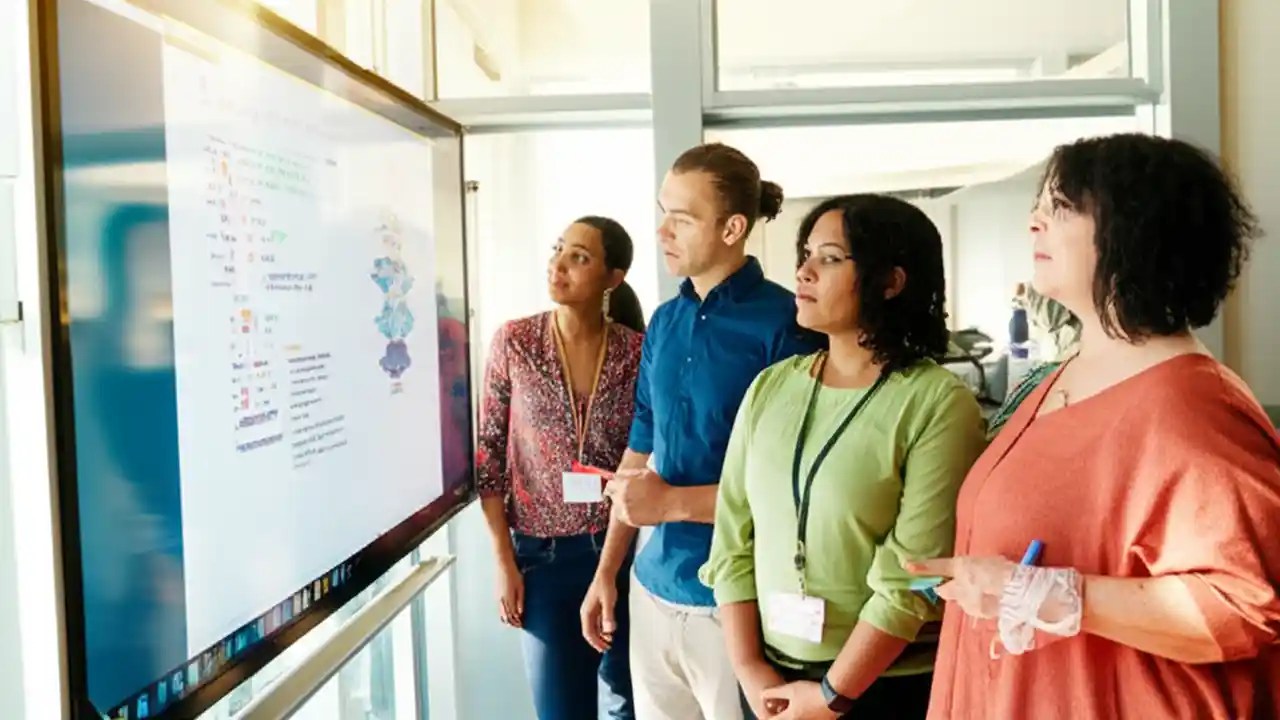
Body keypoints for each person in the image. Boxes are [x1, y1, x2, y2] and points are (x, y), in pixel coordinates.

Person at [908, 133, 1280, 719]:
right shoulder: (1060, 377)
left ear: (1135, 230)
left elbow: (1242, 607)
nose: (1034, 222)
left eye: (1061, 208)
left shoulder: (1191, 408)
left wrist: (1048, 595)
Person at [701, 195, 987, 719]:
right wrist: (751, 671)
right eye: (806, 255)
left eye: (829, 258)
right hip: (770, 682)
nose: (803, 271)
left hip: (882, 686)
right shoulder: (770, 387)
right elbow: (732, 540)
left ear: (890, 281)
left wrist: (832, 695)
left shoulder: (937, 403)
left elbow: (911, 577)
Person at [578, 143, 823, 720]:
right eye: (662, 212)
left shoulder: (789, 326)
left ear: (733, 228)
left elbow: (799, 492)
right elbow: (640, 452)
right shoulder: (665, 321)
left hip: (738, 604)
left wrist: (670, 504)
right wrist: (607, 571)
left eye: (682, 219)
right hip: (652, 588)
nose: (662, 231)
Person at [475, 215, 645, 720]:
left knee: (630, 706)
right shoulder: (516, 342)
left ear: (613, 277)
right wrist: (503, 561)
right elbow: (488, 457)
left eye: (579, 257)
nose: (558, 264)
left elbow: (644, 455)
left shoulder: (636, 353)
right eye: (558, 249)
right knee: (561, 710)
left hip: (622, 552)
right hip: (541, 558)